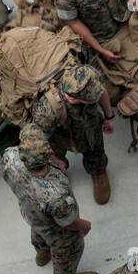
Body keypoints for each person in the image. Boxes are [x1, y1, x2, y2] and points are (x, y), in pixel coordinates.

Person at [0, 126, 97, 274]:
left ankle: (42, 253)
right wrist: (85, 225)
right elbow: (68, 222)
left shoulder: (9, 158)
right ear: (47, 152)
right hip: (57, 227)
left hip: (30, 212)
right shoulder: (55, 194)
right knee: (70, 245)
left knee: (38, 230)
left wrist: (54, 160)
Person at [29, 63, 114, 205]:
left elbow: (101, 91)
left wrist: (109, 116)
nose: (95, 99)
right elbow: (39, 140)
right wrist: (56, 160)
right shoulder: (47, 109)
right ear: (71, 98)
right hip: (60, 136)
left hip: (91, 126)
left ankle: (98, 170)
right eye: (90, 100)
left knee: (95, 148)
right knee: (56, 162)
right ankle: (57, 174)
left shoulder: (87, 74)